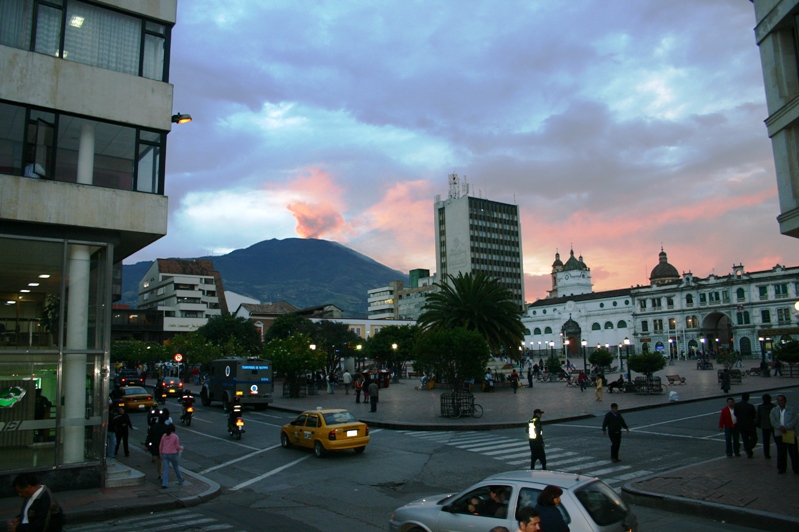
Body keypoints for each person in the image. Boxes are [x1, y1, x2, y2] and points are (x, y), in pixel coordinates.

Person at [768, 394, 798, 474]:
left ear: (785, 401)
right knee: (781, 452)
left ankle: (796, 468)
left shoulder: (791, 409)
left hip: (789, 432)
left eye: (782, 400)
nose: (780, 402)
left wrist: (786, 427)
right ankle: (781, 468)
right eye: (779, 400)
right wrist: (780, 427)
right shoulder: (774, 410)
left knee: (793, 452)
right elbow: (772, 420)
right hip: (779, 433)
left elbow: (794, 420)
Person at [159, 423, 185, 488]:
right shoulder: (175, 437)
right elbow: (177, 447)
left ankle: (164, 483)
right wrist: (182, 448)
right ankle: (180, 479)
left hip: (164, 454)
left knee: (165, 469)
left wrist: (160, 453)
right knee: (176, 467)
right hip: (173, 454)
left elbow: (160, 445)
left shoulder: (163, 436)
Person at [734, 392, 757, 458]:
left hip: (741, 424)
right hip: (750, 424)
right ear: (748, 398)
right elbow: (754, 415)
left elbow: (735, 414)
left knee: (745, 439)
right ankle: (748, 449)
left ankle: (748, 452)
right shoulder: (750, 406)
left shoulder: (737, 405)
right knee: (754, 438)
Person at [146, 411, 169, 477]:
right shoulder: (167, 428)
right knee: (162, 460)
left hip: (156, 445)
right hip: (165, 446)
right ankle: (161, 474)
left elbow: (149, 436)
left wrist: (147, 445)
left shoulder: (153, 427)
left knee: (159, 459)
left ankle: (159, 472)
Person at [755, 394, 776, 459]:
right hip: (773, 425)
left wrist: (758, 424)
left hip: (764, 426)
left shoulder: (760, 407)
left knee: (766, 441)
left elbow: (758, 417)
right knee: (777, 440)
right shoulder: (773, 406)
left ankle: (766, 454)